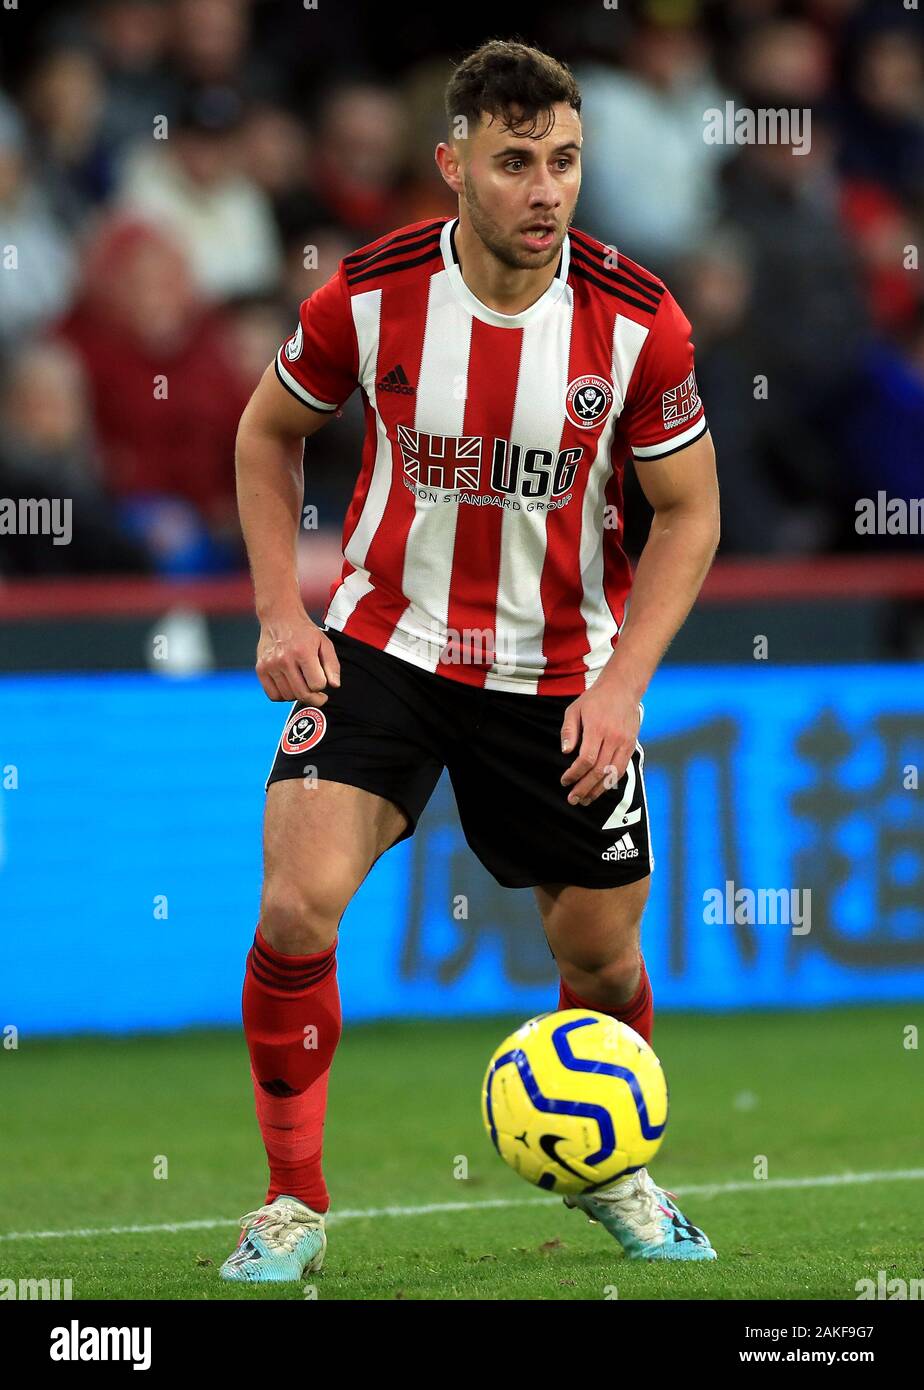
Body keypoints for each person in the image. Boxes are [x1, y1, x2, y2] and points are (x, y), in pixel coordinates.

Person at [223, 39, 720, 1283]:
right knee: (295, 905)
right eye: (514, 163)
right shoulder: (370, 295)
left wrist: (623, 687)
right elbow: (267, 432)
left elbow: (694, 514)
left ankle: (616, 1171)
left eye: (563, 161)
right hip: (388, 647)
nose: (545, 189)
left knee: (601, 958)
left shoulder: (640, 323)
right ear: (453, 166)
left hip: (562, 676)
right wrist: (284, 613)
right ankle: (292, 1202)